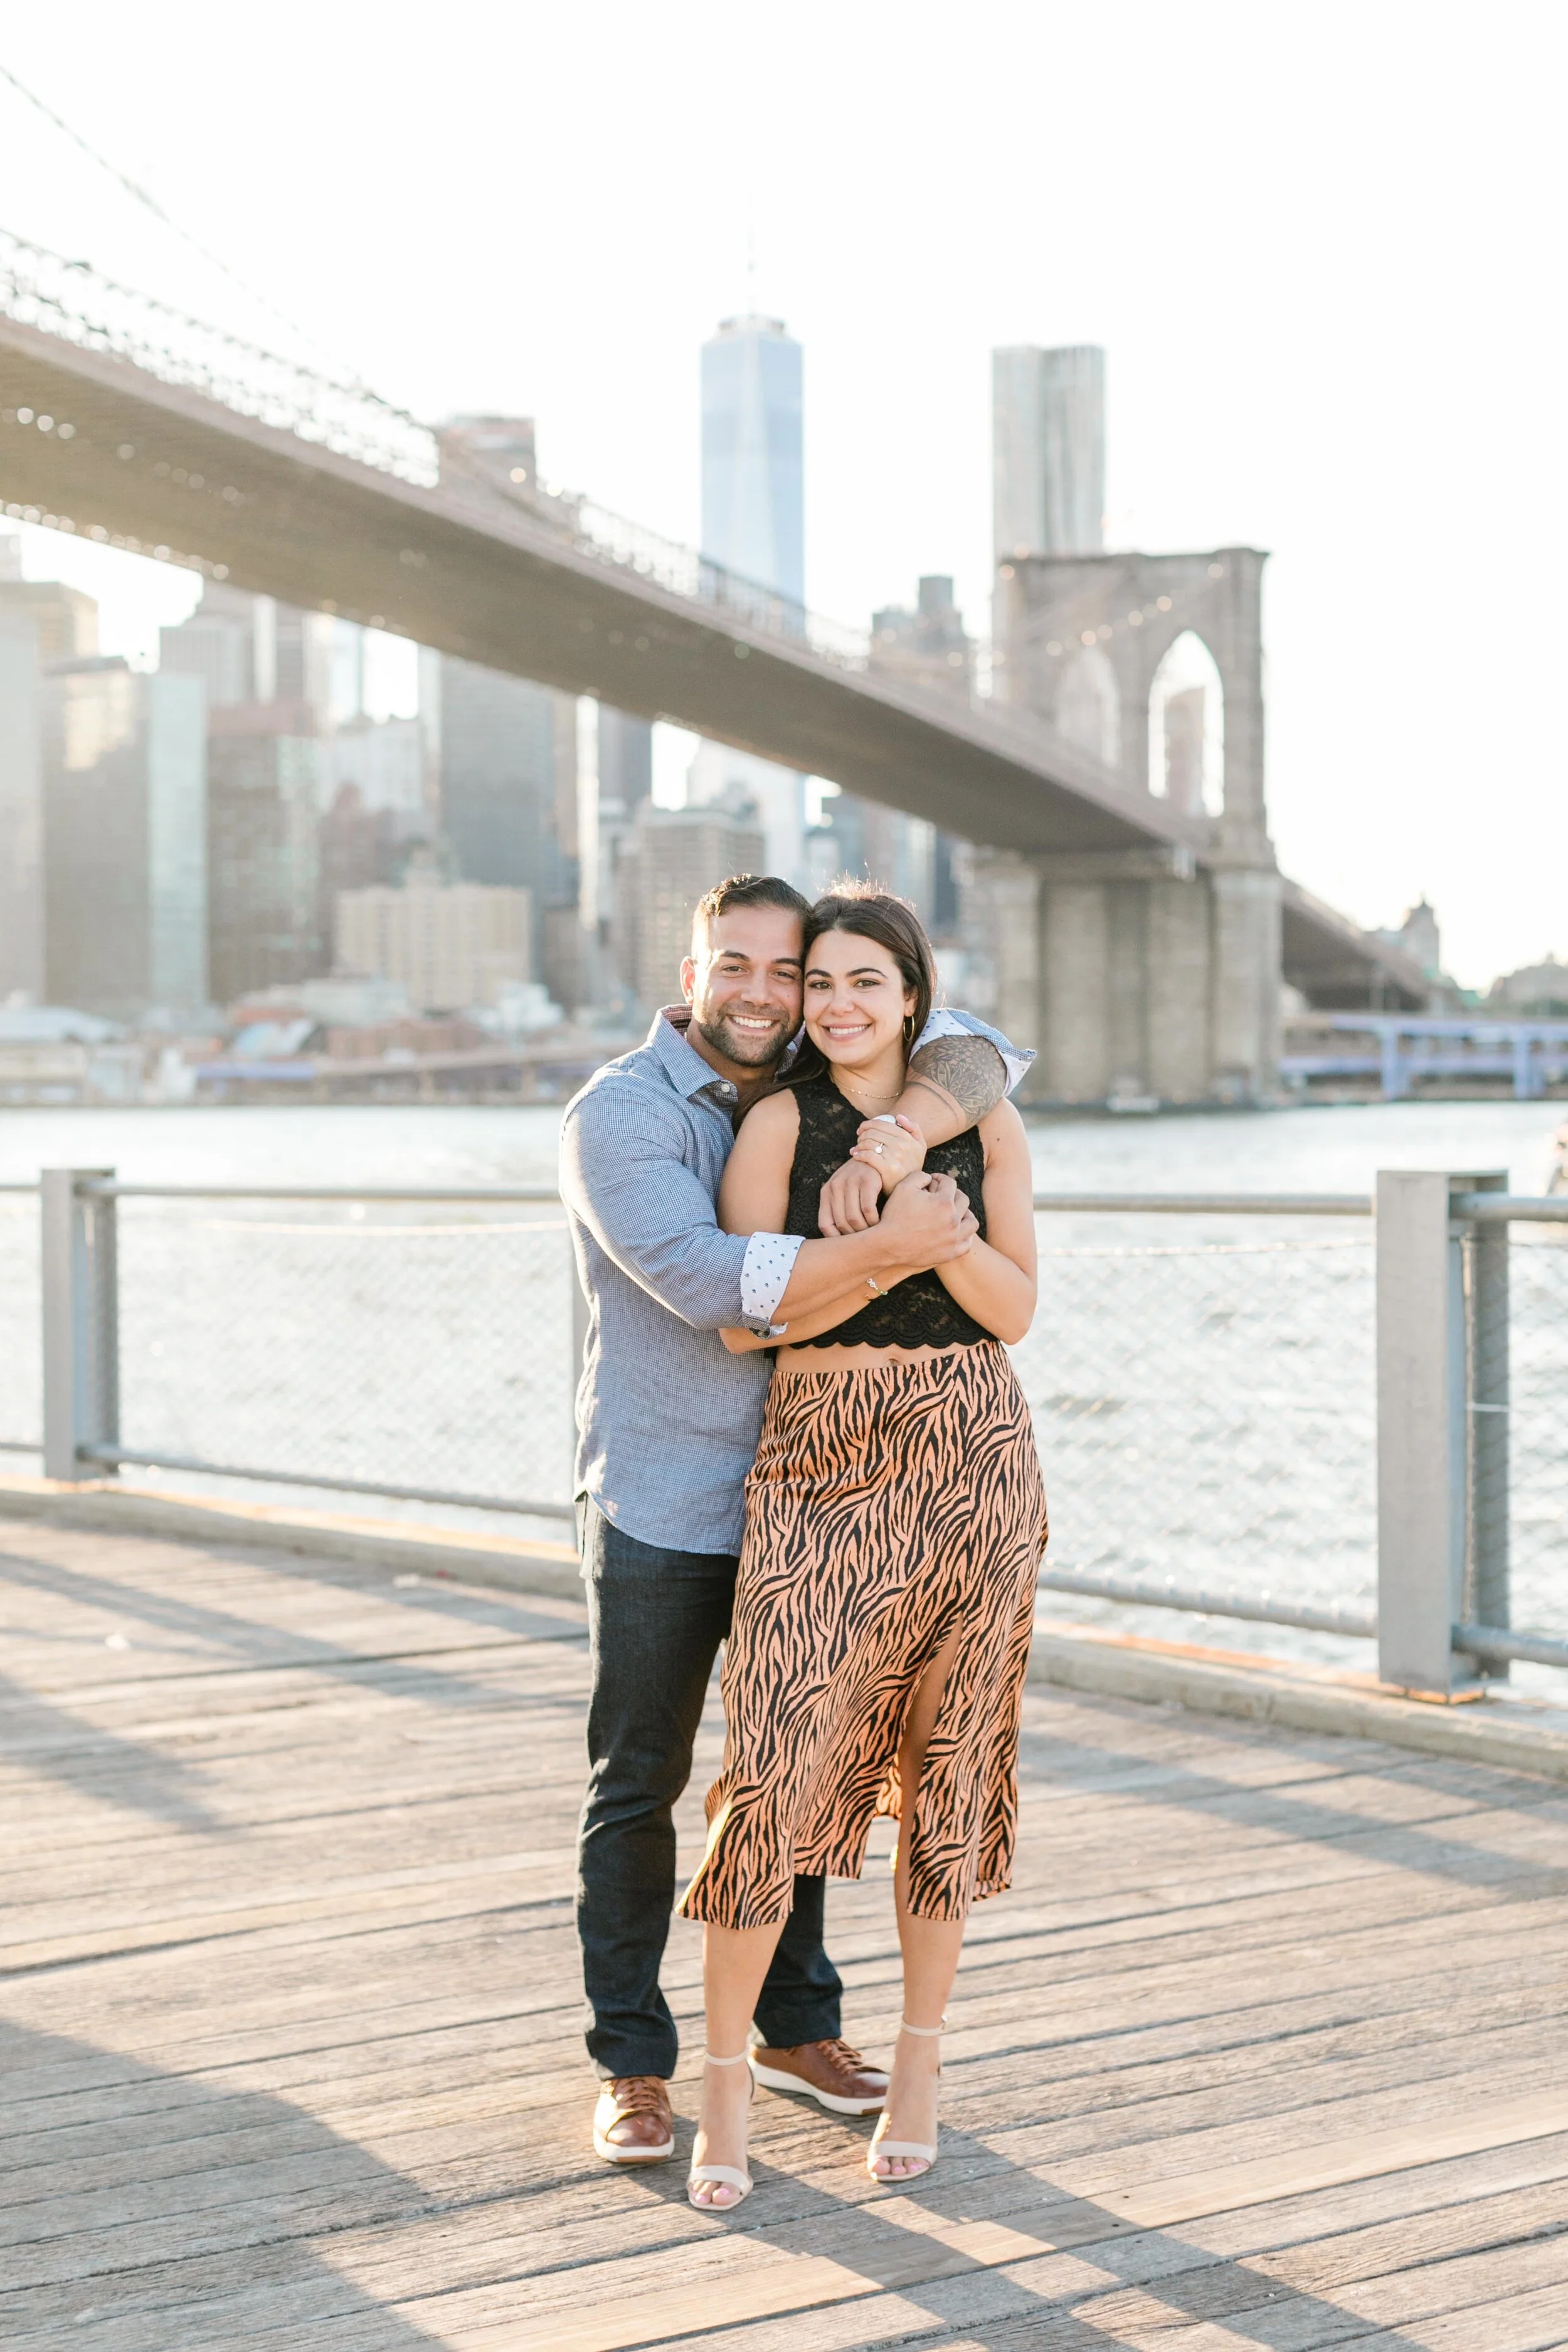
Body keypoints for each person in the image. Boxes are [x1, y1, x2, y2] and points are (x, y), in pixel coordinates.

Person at [560, 873, 1031, 2168]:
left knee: (802, 1765)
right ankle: (633, 2061)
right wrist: (897, 1238)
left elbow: (986, 1047)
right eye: (743, 966)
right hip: (667, 1494)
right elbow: (713, 1282)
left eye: (795, 970)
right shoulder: (622, 1113)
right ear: (691, 972)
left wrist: (889, 1143)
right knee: (641, 1779)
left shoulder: (847, 1080)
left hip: (826, 1495)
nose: (771, 993)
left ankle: (795, 2028)